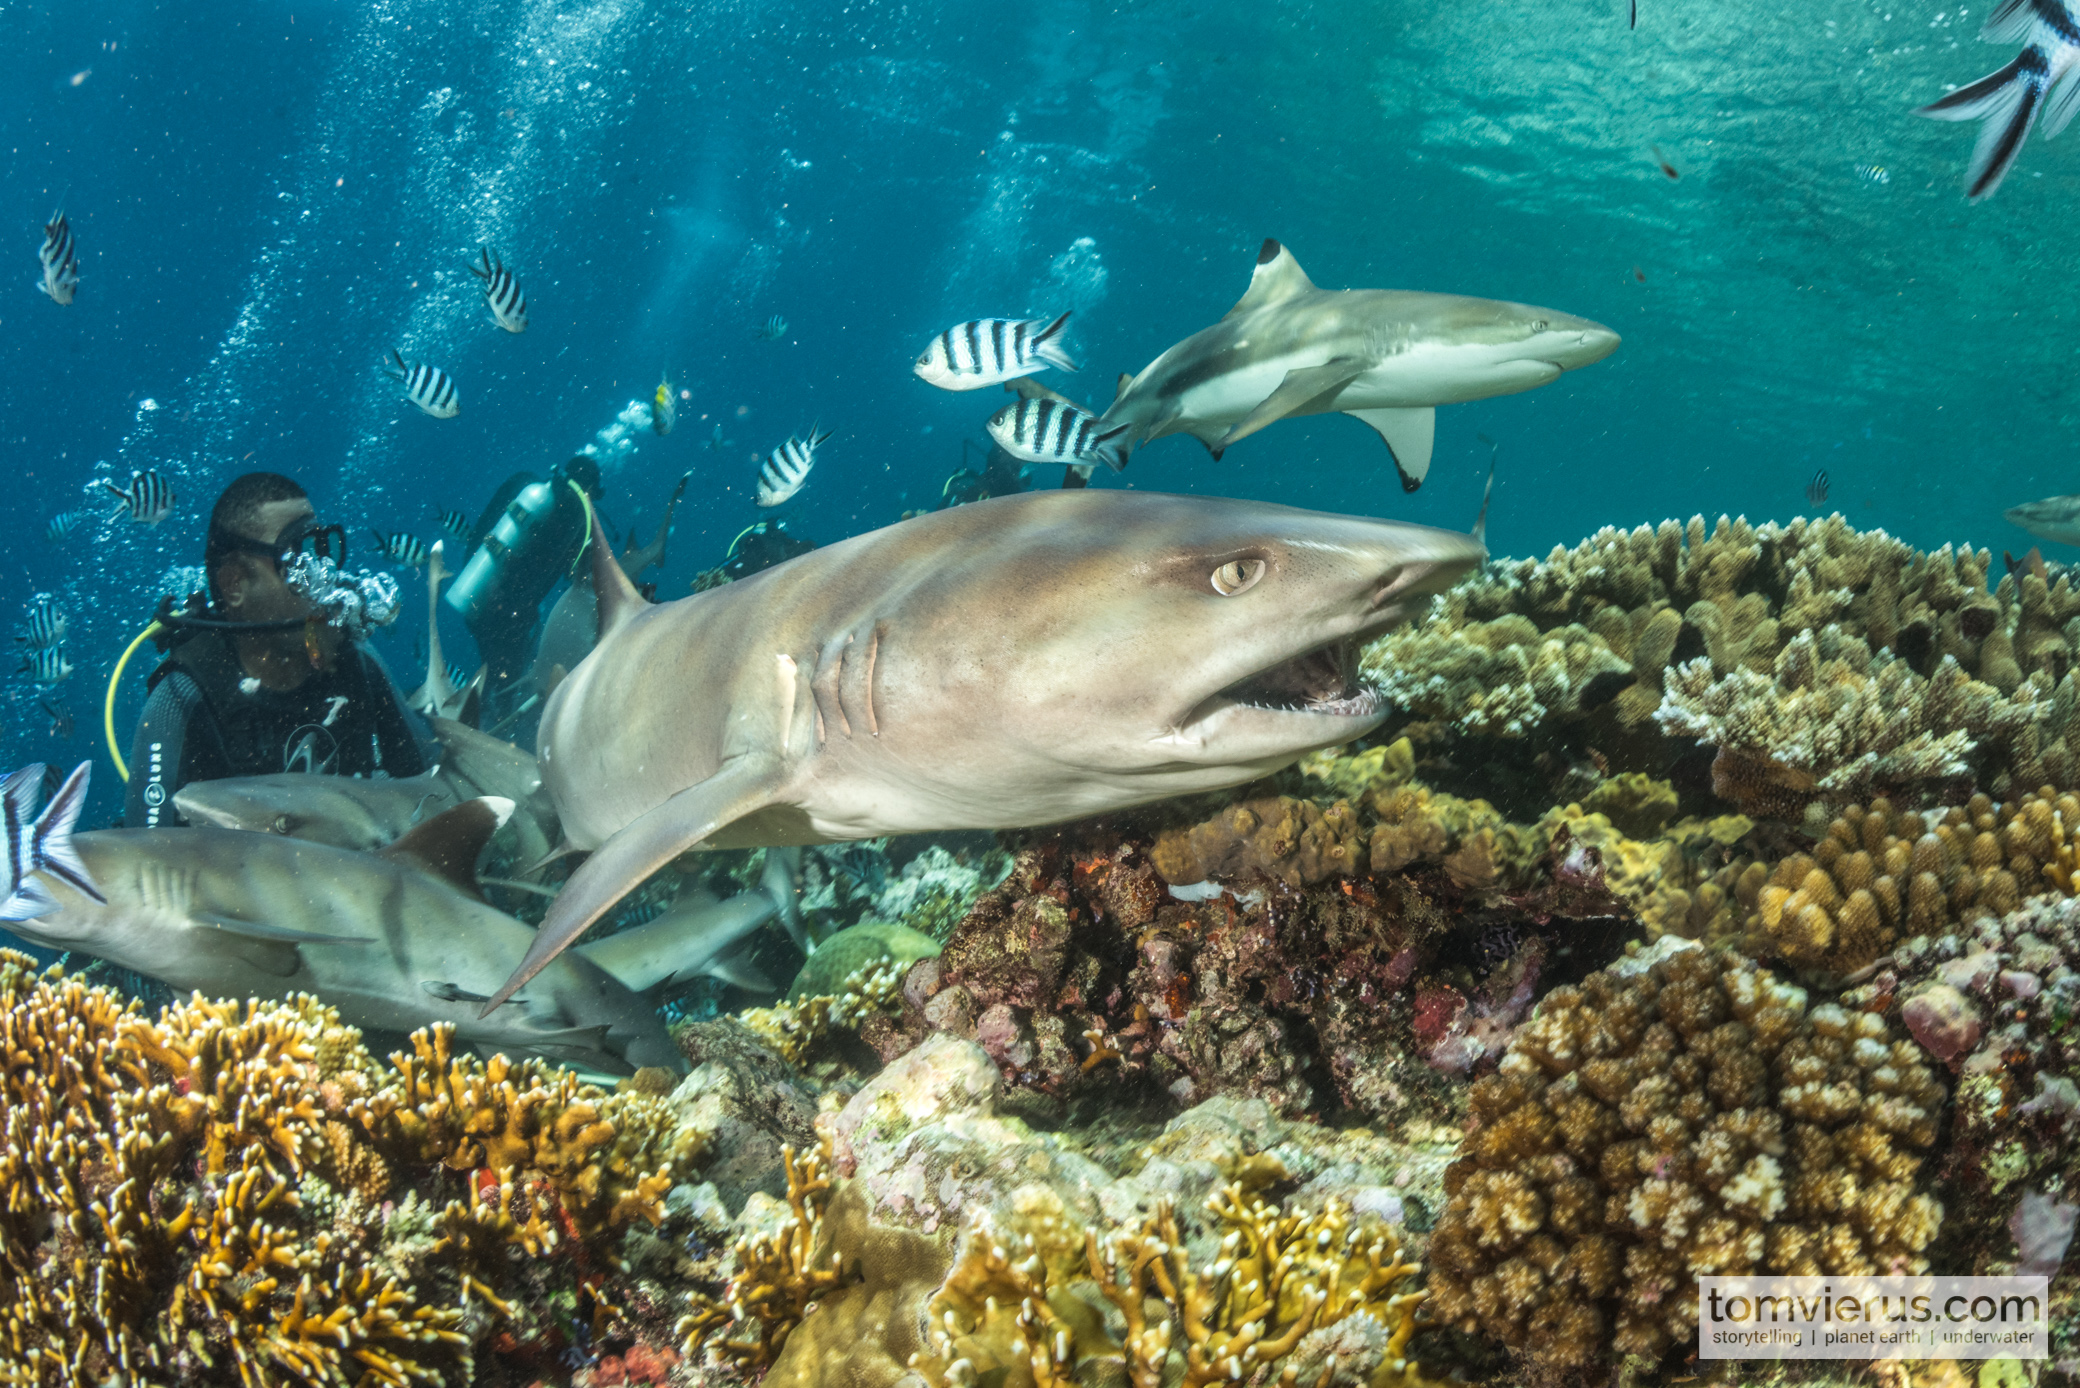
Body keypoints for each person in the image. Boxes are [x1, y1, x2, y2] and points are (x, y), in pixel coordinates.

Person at [124, 472, 429, 827]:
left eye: (320, 548)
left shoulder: (357, 660)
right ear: (234, 583)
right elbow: (148, 861)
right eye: (296, 555)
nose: (320, 576)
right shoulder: (180, 700)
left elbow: (431, 787)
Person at [445, 454, 605, 688]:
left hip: (477, 592)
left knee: (489, 673)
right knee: (504, 684)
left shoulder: (526, 485)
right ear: (589, 489)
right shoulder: (576, 522)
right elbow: (576, 577)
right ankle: (482, 713)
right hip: (510, 617)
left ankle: (474, 705)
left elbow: (480, 531)